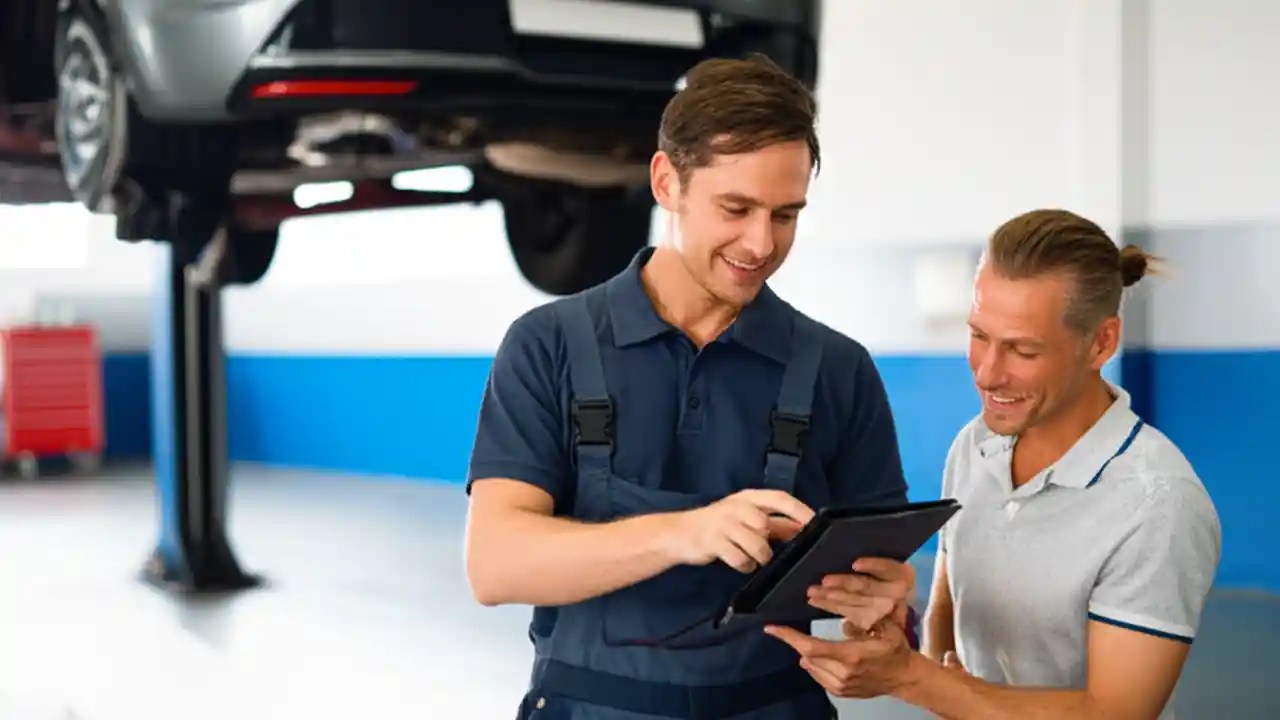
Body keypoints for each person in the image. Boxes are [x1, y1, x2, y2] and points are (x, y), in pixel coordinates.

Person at [464, 55, 920, 719]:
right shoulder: (549, 345)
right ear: (666, 182)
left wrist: (884, 615)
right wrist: (685, 533)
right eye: (735, 208)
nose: (761, 243)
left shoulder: (838, 370)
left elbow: (883, 601)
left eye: (786, 214)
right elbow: (495, 566)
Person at [765, 209, 1222, 719]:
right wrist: (893, 638)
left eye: (1022, 350)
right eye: (979, 335)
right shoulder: (975, 445)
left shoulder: (1158, 503)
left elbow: (1115, 713)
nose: (987, 373)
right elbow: (948, 609)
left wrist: (912, 678)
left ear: (1101, 343)